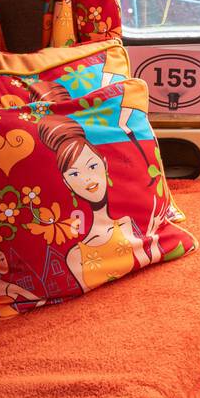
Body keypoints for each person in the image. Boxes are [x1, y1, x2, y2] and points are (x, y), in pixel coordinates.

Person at [38, 114, 167, 293]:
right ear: (66, 182)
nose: (88, 179)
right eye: (74, 174)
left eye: (92, 166)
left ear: (104, 164)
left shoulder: (127, 225)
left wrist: (152, 232)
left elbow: (148, 259)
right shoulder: (75, 255)